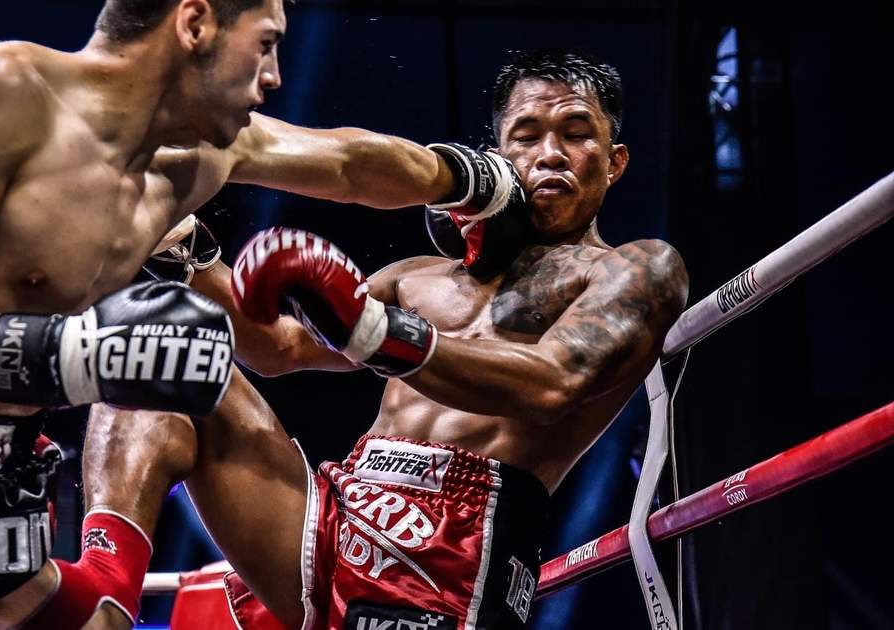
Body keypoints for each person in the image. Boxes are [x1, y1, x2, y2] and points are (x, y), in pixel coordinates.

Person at [0, 0, 502, 627]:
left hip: (5, 470)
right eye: (267, 44)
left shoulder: (198, 157)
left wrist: (481, 182)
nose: (276, 77)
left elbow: (349, 165)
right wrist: (87, 354)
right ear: (195, 23)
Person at [92, 49, 690, 629]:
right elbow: (278, 348)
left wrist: (372, 330)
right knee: (159, 358)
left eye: (577, 133)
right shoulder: (417, 276)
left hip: (454, 545)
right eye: (527, 135)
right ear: (499, 157)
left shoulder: (633, 270)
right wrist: (186, 249)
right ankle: (102, 603)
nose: (550, 154)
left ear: (615, 162)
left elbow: (553, 383)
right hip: (340, 504)